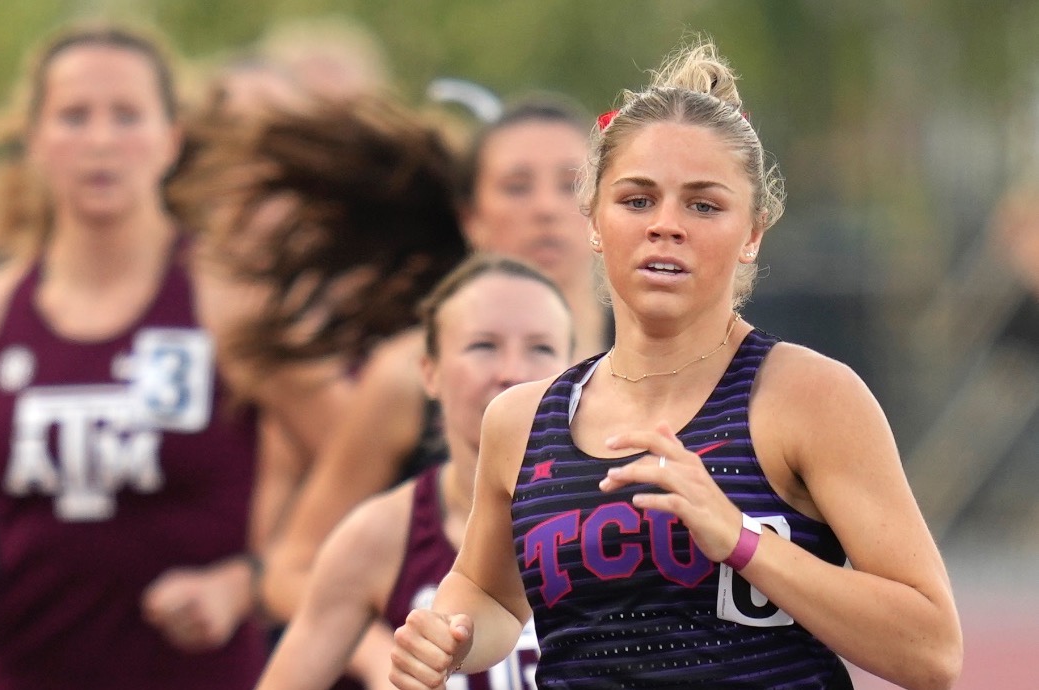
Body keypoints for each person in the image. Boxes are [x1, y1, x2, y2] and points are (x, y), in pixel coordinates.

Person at [0, 21, 465, 690]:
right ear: (33, 140)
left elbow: (368, 483)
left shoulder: (231, 308)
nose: (100, 141)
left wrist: (244, 586)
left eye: (126, 116)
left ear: (170, 139)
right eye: (74, 117)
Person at [389, 41, 963, 690]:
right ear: (594, 222)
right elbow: (489, 595)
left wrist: (741, 542)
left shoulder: (806, 396)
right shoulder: (520, 420)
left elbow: (931, 650)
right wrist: (449, 636)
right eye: (636, 200)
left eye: (702, 205)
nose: (665, 225)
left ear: (752, 232)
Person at [261, 95, 607, 623]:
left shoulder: (657, 364)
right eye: (516, 186)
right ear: (471, 217)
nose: (545, 207)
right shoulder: (410, 373)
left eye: (571, 185)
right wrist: (381, 655)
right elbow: (290, 570)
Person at [256, 254, 572, 690]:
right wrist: (379, 656)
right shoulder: (382, 534)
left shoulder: (618, 514)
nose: (512, 373)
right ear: (430, 372)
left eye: (541, 348)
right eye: (483, 346)